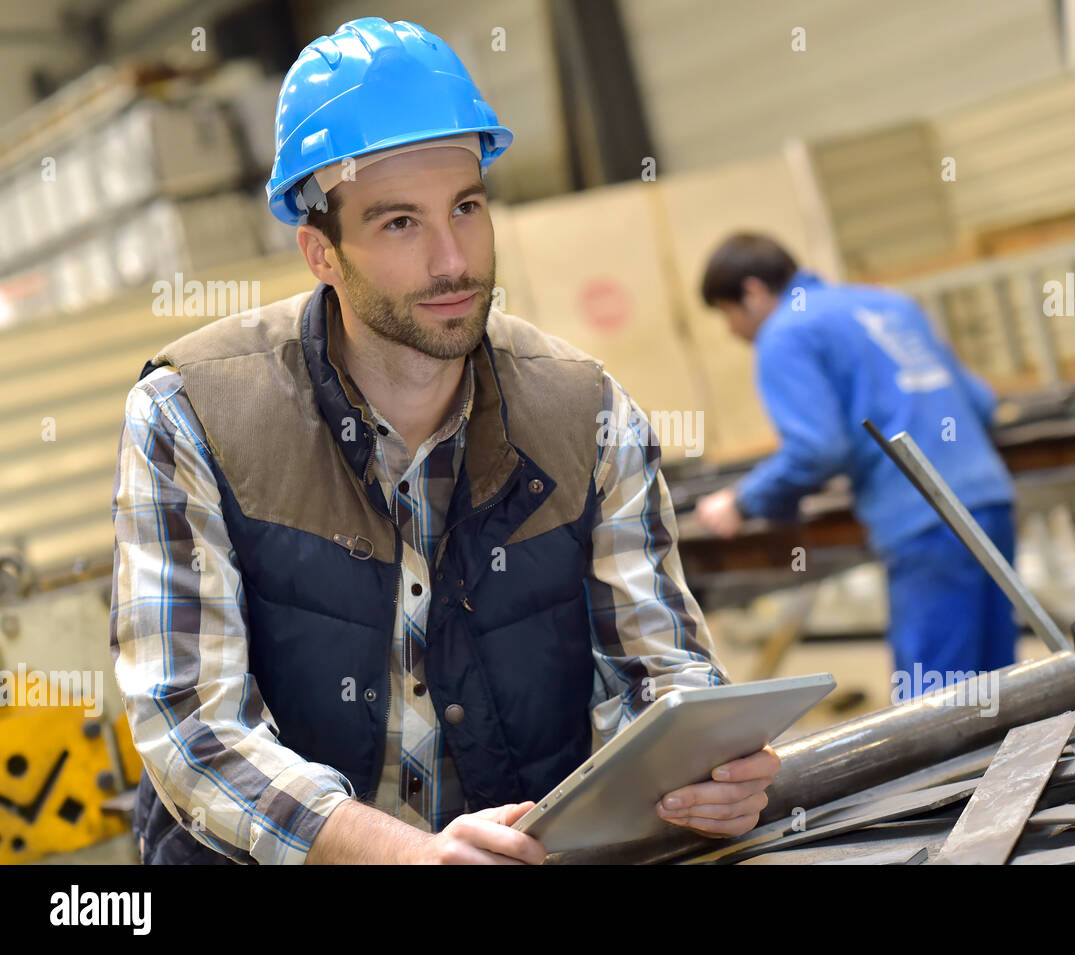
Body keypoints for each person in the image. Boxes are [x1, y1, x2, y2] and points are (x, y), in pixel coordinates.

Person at [110, 17, 777, 866]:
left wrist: (708, 766)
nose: (453, 258)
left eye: (466, 207)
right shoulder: (190, 417)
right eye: (399, 224)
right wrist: (398, 854)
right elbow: (193, 728)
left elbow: (664, 674)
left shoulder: (587, 412)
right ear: (321, 250)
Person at [693, 233, 1019, 693]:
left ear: (752, 291)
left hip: (924, 522)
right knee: (1005, 689)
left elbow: (818, 449)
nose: (732, 331)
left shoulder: (785, 333)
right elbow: (982, 403)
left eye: (728, 314)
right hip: (990, 499)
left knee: (937, 704)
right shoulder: (891, 306)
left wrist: (743, 502)